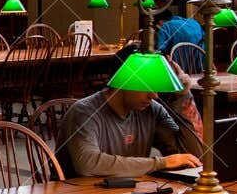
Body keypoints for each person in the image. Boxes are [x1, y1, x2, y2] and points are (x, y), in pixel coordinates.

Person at [59, 70, 203, 177]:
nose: (154, 95)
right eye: (146, 87)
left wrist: (183, 96)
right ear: (123, 81)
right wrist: (160, 163)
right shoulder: (84, 112)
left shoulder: (152, 110)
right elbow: (87, 164)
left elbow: (193, 155)